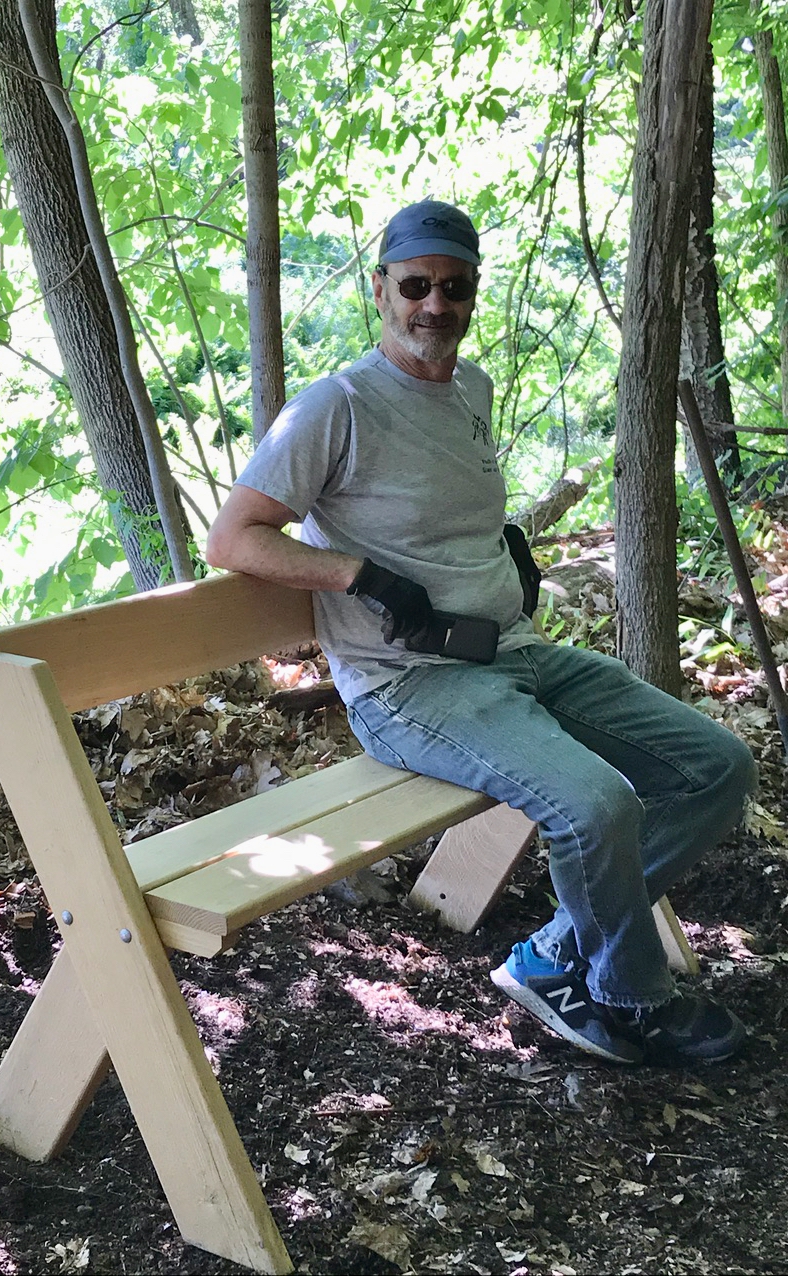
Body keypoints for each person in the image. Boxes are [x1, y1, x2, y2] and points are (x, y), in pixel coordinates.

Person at [206, 198, 757, 1066]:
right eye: (416, 284)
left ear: (472, 294)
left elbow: (445, 516)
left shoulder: (471, 386)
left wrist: (507, 551)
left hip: (513, 651)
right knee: (596, 805)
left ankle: (552, 952)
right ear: (379, 290)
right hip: (408, 684)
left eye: (453, 287)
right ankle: (628, 997)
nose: (435, 304)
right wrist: (357, 575)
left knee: (717, 769)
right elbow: (233, 538)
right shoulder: (335, 406)